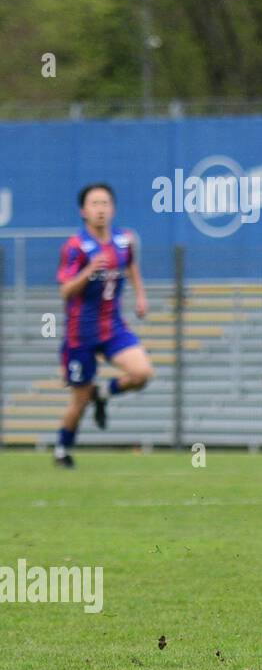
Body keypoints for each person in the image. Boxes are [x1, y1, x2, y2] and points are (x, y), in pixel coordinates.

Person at [54, 183, 154, 468]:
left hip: (113, 328)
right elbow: (65, 290)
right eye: (94, 204)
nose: (100, 209)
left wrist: (141, 297)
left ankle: (103, 393)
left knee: (143, 373)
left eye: (105, 203)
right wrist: (88, 271)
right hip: (80, 334)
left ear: (113, 208)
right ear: (83, 211)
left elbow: (131, 265)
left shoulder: (124, 241)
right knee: (79, 400)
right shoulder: (75, 247)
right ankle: (62, 449)